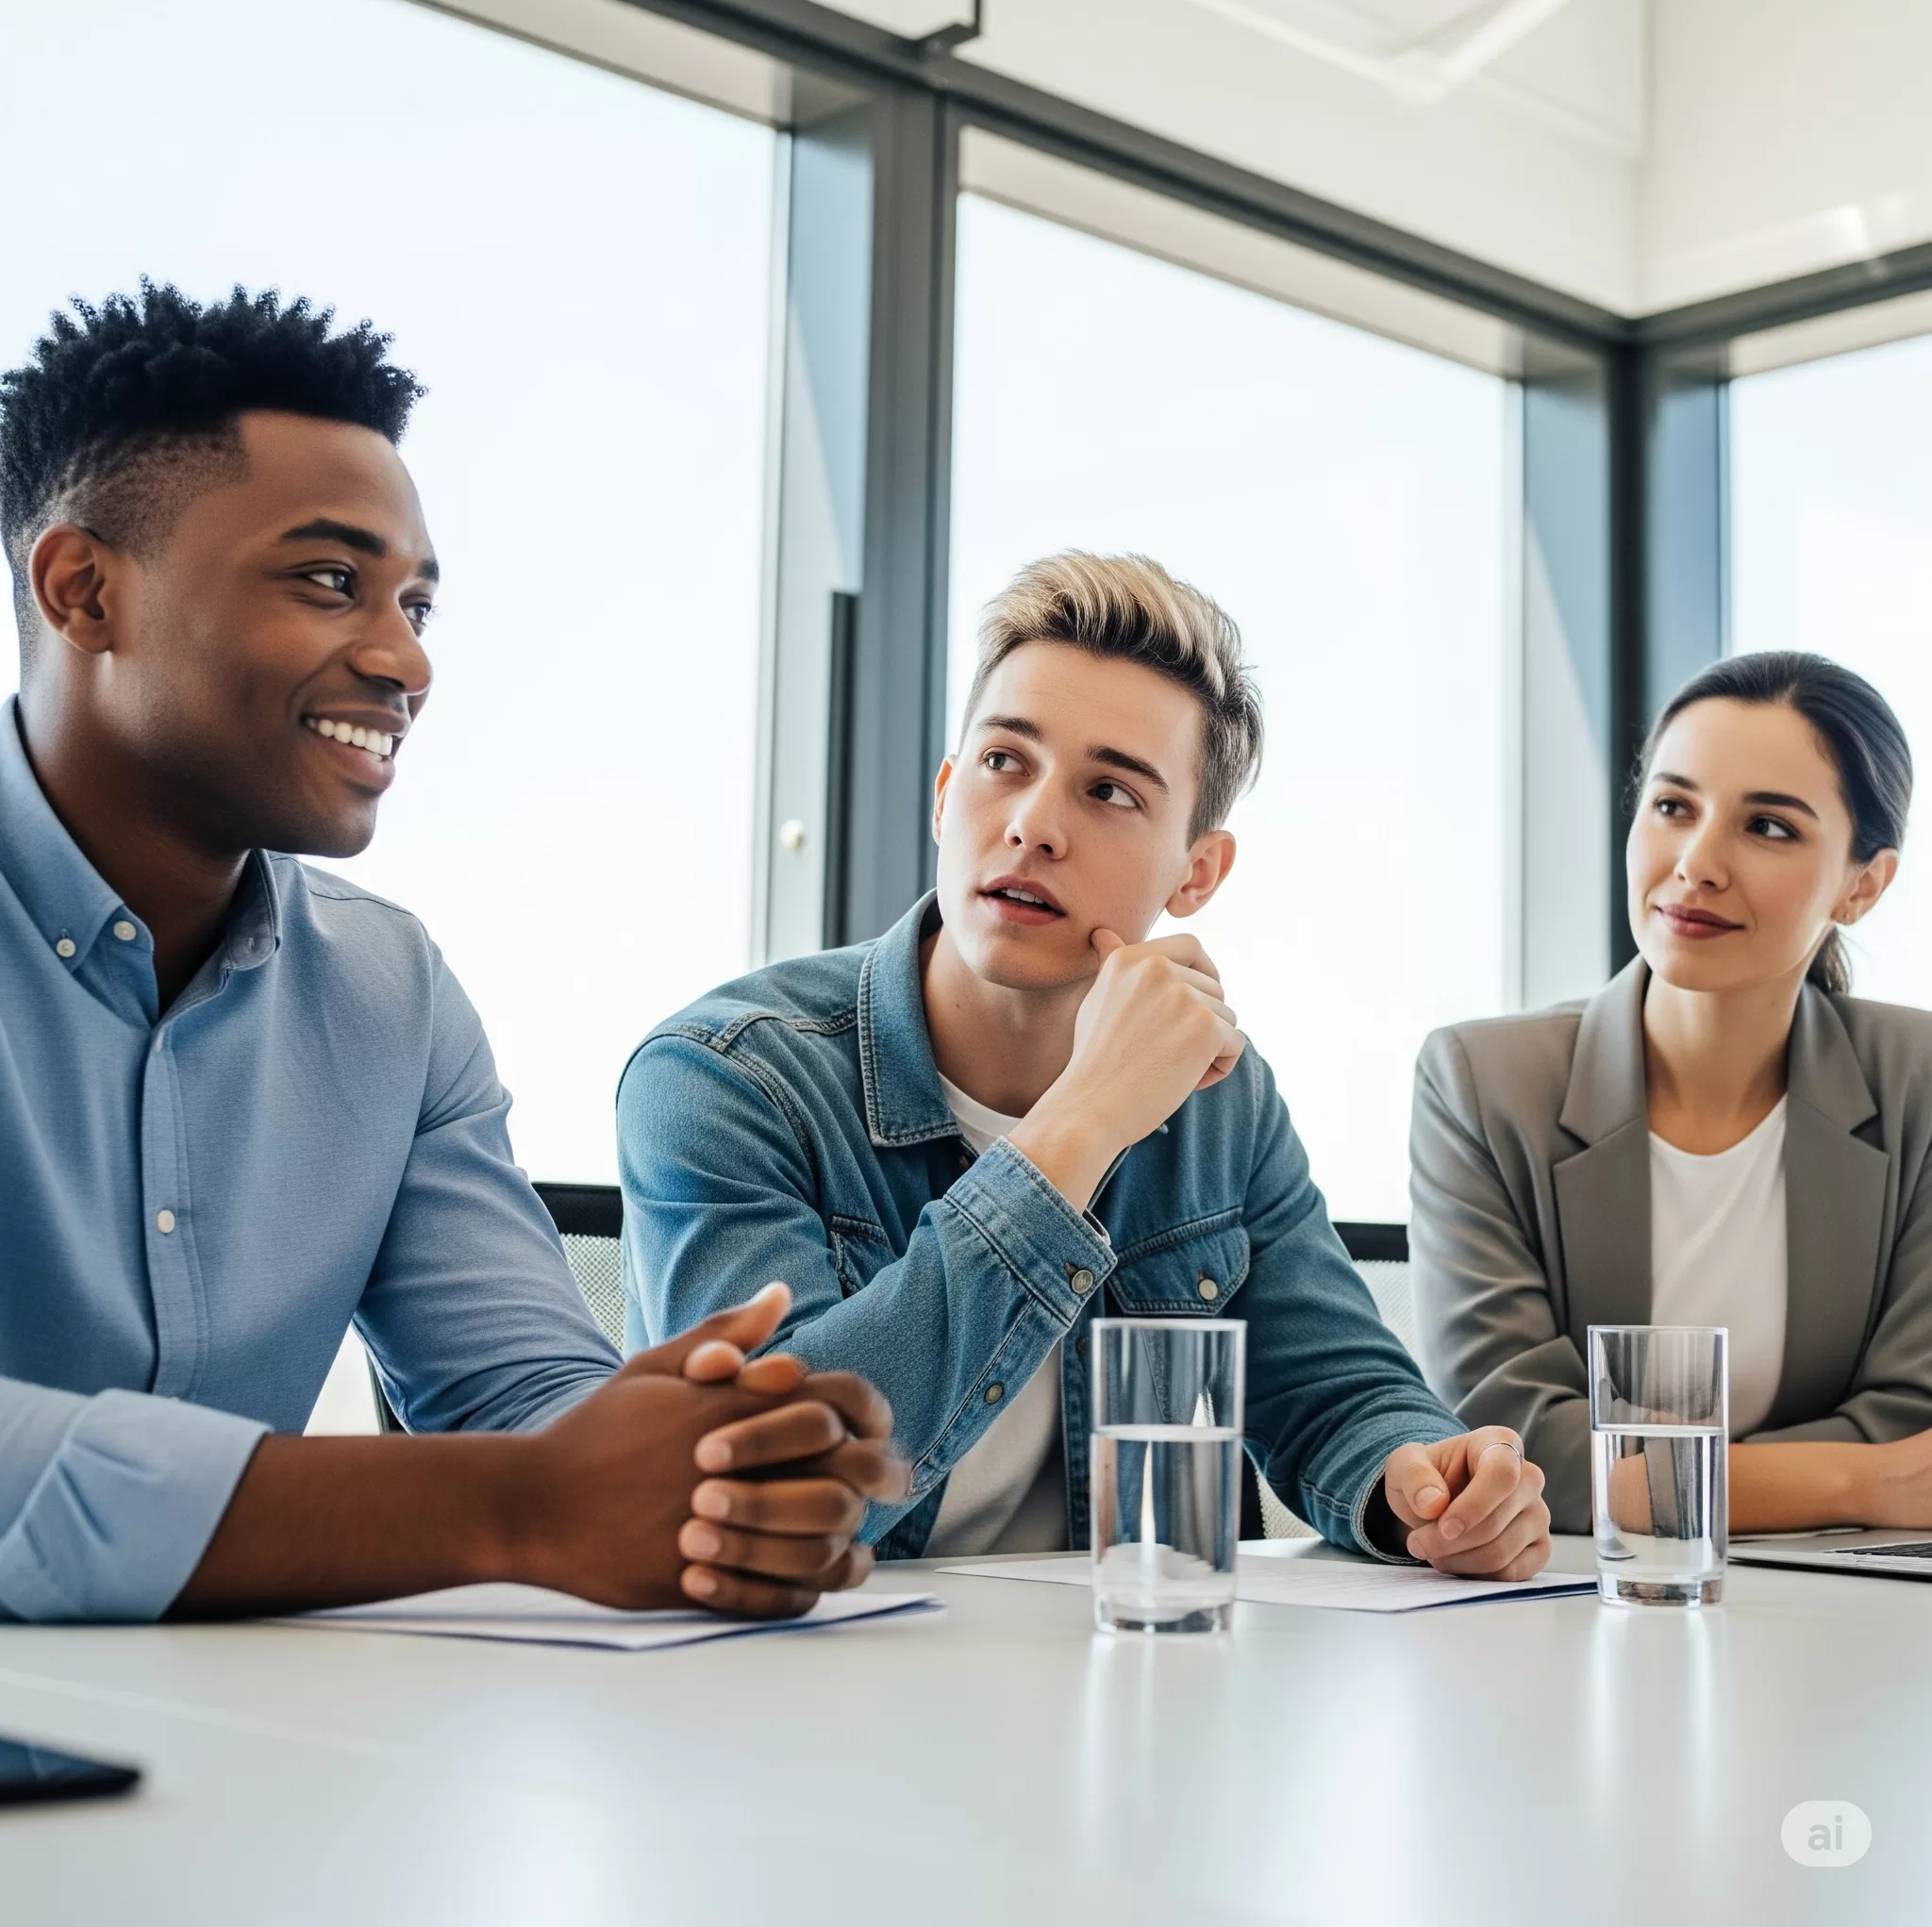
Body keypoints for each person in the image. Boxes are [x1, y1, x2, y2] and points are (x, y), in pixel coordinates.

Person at [0, 282, 905, 1623]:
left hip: (226, 1772)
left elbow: (516, 1391)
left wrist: (709, 1465)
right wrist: (516, 1506)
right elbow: (520, 1486)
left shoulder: (390, 993)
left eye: (416, 604)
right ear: (84, 590)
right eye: (329, 582)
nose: (403, 661)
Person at [620, 553, 1551, 1578]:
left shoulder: (1218, 1096)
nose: (1032, 823)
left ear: (1195, 872)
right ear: (943, 797)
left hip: (1111, 1682)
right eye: (1002, 762)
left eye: (1108, 789)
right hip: (792, 1689)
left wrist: (1426, 1478)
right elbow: (769, 1483)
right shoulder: (723, 1077)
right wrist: (1085, 1119)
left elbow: (1335, 1390)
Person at [1411, 650, 1932, 1535]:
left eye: (1768, 826)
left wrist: (1643, 1479)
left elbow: (1913, 1420)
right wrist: (1855, 1484)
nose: (1696, 863)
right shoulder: (1482, 1085)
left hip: (1859, 1613)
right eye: (1672, 807)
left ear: (1863, 884)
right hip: (1572, 1611)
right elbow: (1520, 1448)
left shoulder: (1919, 1083)